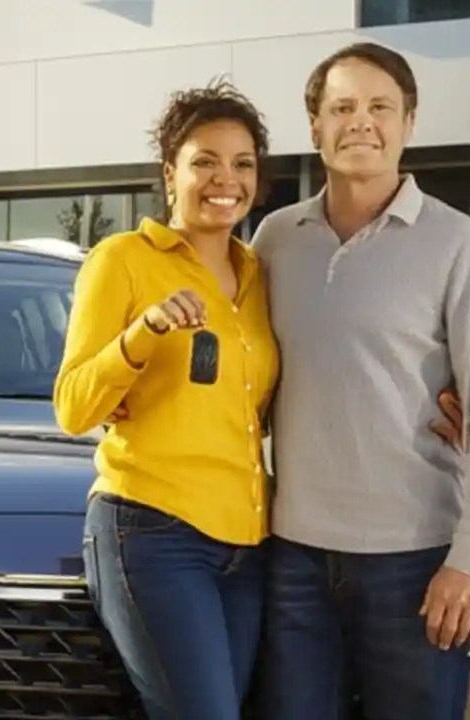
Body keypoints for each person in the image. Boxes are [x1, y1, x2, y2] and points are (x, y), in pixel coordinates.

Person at [250, 42, 470, 720]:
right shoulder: (274, 240)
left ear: (409, 122)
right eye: (342, 107)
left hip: (416, 564)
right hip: (292, 561)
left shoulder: (460, 246)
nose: (361, 122)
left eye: (380, 106)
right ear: (314, 126)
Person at [52, 78, 279, 719]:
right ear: (170, 174)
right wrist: (142, 335)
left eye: (242, 164)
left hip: (249, 543)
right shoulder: (122, 259)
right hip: (153, 530)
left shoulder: (259, 273)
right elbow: (73, 407)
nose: (225, 179)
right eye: (204, 161)